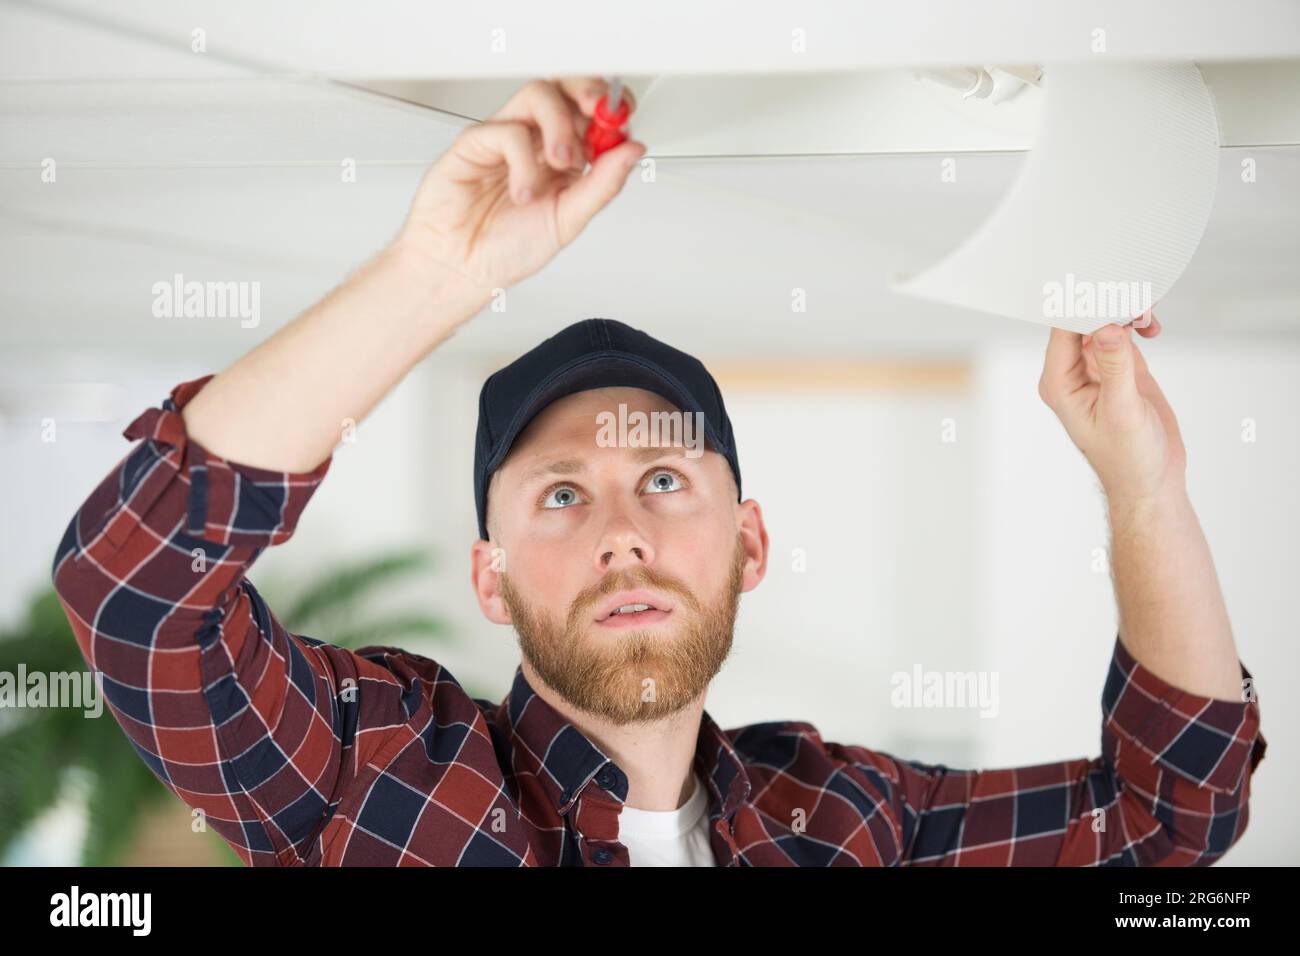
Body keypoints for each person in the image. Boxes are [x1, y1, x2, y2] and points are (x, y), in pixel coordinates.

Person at [51, 76, 1265, 867]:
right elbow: (136, 594)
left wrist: (1142, 485)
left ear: (748, 544)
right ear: (490, 575)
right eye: (562, 494)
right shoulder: (373, 779)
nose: (621, 531)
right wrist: (436, 275)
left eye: (666, 483)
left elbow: (1170, 818)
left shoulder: (848, 825)